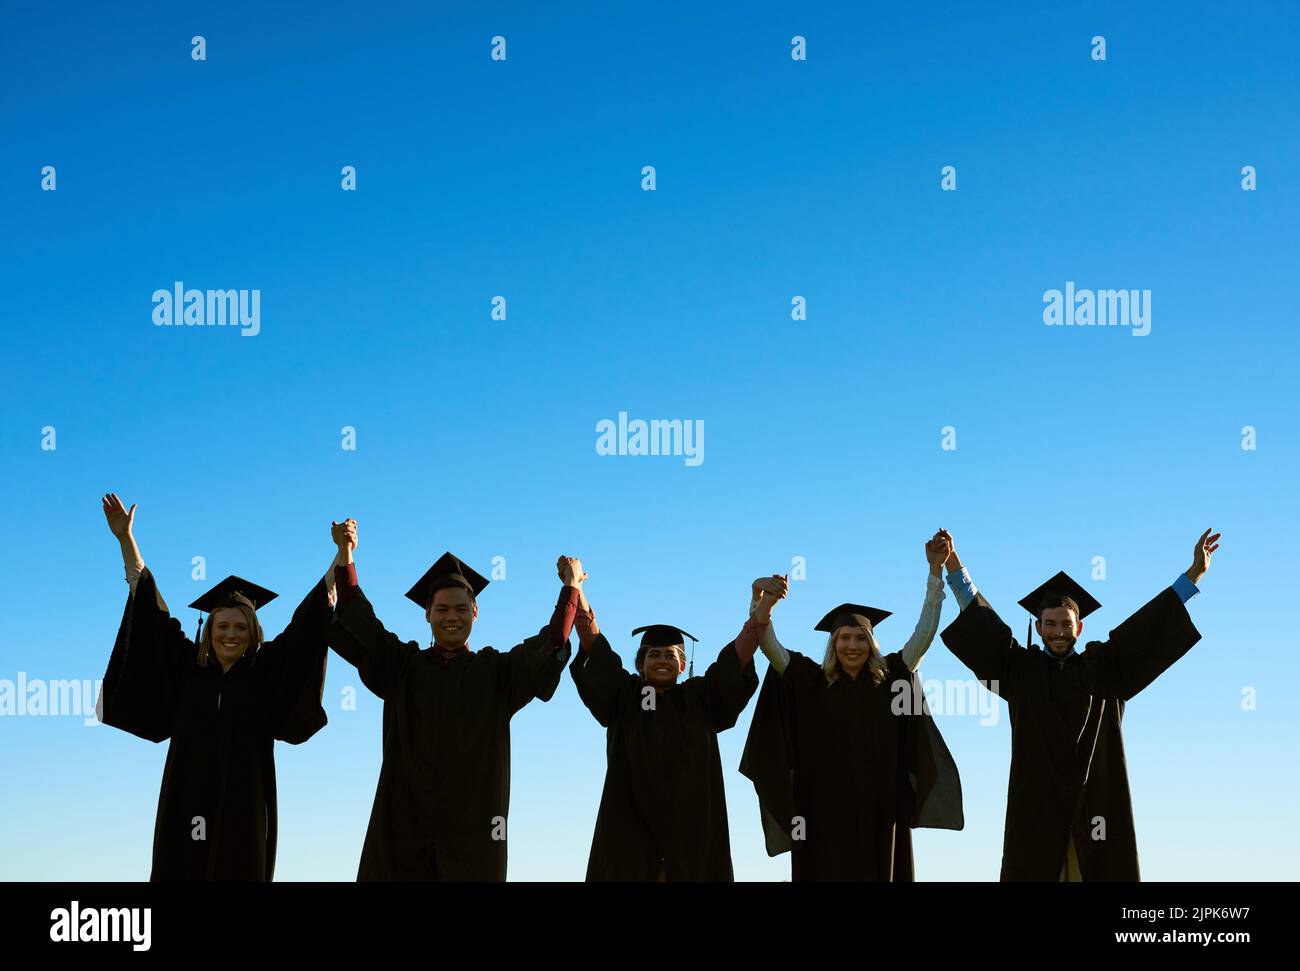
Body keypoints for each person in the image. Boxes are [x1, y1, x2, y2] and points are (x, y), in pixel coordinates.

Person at [939, 528, 1221, 881]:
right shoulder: (1020, 671)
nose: (1058, 631)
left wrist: (1193, 575)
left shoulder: (1104, 667)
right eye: (1050, 624)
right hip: (1036, 806)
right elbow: (982, 621)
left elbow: (1148, 625)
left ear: (1080, 627)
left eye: (1065, 624)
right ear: (1039, 628)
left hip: (1097, 800)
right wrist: (953, 565)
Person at [97, 492, 336, 880]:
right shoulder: (185, 668)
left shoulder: (266, 673)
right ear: (209, 630)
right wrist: (126, 540)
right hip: (185, 803)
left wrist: (340, 556)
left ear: (253, 632)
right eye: (222, 626)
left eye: (240, 627)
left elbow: (307, 627)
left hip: (245, 809)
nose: (230, 635)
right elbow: (150, 610)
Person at [326, 525, 575, 880]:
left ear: (475, 611)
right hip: (402, 829)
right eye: (441, 609)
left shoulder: (495, 673)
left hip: (473, 835)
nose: (451, 617)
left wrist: (571, 587)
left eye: (460, 608)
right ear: (427, 614)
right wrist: (346, 552)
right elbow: (361, 622)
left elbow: (550, 644)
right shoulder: (403, 666)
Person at [739, 532, 964, 880]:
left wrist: (935, 573)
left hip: (881, 808)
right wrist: (763, 604)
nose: (852, 645)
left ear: (871, 643)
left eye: (860, 638)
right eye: (844, 638)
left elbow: (924, 634)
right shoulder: (809, 681)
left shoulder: (892, 678)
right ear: (833, 643)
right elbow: (769, 645)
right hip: (821, 812)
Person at [565, 556, 760, 880]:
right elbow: (595, 645)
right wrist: (577, 588)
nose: (661, 661)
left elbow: (735, 661)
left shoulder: (701, 698)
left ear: (682, 665)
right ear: (640, 663)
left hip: (693, 834)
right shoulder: (625, 696)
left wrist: (759, 611)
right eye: (653, 655)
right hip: (629, 835)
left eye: (670, 655)